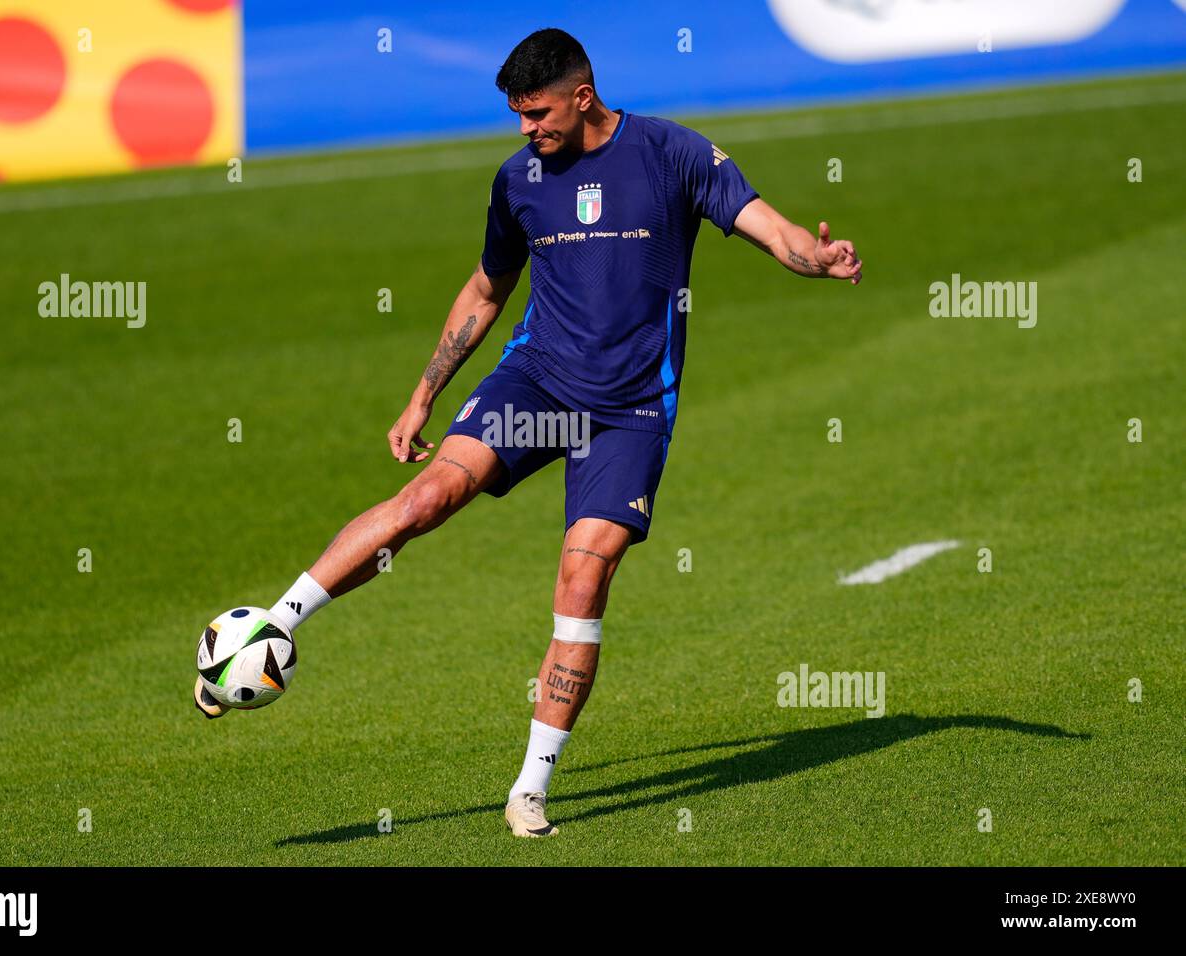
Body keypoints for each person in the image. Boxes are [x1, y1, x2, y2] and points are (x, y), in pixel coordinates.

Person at [195, 27, 862, 839]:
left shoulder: (674, 154)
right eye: (516, 115)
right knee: (428, 496)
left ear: (583, 96)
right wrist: (422, 394)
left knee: (583, 580)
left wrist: (814, 259)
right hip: (537, 381)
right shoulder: (519, 180)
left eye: (537, 113)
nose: (525, 129)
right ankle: (274, 625)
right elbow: (486, 289)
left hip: (628, 409)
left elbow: (773, 230)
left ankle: (529, 788)